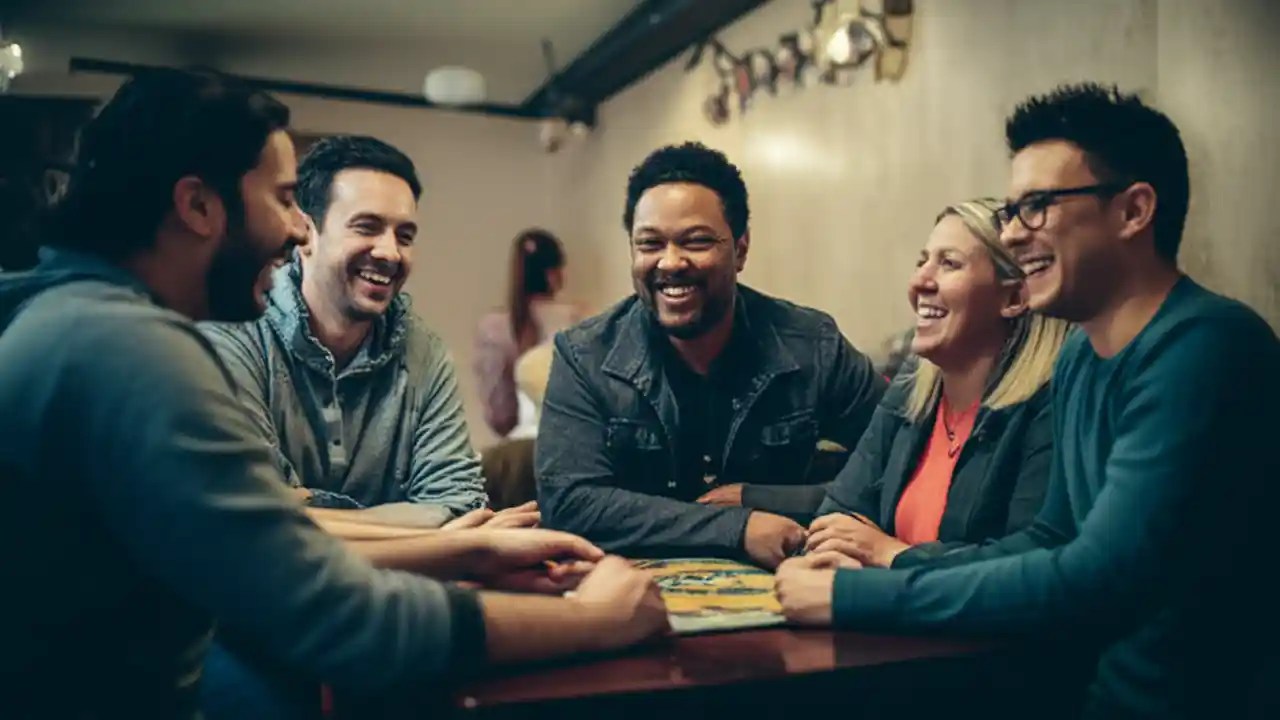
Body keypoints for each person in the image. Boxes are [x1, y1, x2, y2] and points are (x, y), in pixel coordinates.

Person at [0, 68, 668, 717]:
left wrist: (472, 548)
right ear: (198, 206)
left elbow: (277, 548)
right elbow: (340, 616)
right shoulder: (127, 350)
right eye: (283, 198)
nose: (296, 230)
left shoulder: (77, 322)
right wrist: (595, 618)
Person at [775, 83, 1279, 719]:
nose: (1014, 236)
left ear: (1133, 211)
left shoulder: (1206, 347)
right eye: (1012, 212)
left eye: (1037, 206)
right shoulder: (1080, 356)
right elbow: (1047, 538)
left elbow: (1094, 578)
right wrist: (871, 579)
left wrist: (854, 596)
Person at [537, 142, 887, 568]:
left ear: (740, 249)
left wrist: (758, 499)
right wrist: (737, 528)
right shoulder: (584, 355)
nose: (670, 262)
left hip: (788, 591)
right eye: (649, 244)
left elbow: (895, 471)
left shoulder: (813, 345)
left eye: (697, 241)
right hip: (625, 594)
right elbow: (569, 502)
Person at [202, 135, 533, 534]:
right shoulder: (237, 334)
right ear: (305, 232)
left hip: (405, 585)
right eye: (367, 228)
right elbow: (252, 516)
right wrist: (430, 532)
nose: (391, 253)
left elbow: (459, 504)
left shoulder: (424, 352)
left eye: (405, 236)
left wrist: (308, 508)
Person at [792, 198, 1069, 569]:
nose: (921, 280)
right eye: (923, 261)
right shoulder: (911, 385)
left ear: (1013, 297)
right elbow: (838, 513)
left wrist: (890, 554)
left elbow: (1030, 562)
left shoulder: (1049, 406)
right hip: (885, 617)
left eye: (949, 263)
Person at [474, 228, 581, 439]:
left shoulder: (493, 329)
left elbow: (499, 415)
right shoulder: (579, 320)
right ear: (555, 274)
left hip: (521, 451)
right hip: (572, 445)